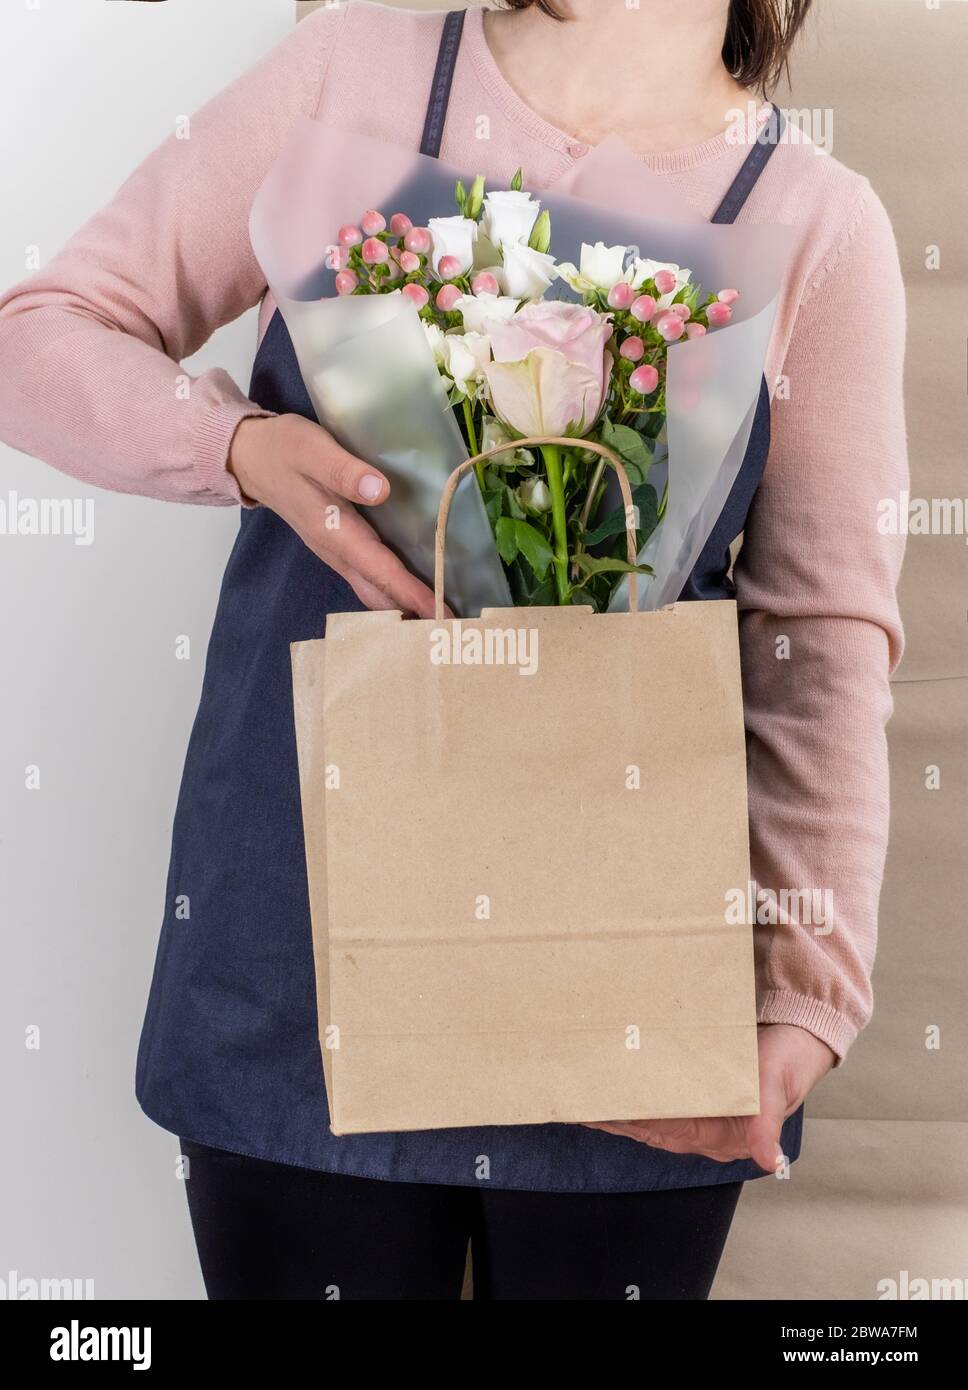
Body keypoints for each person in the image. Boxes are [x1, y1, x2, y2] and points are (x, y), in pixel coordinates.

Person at [0, 0, 906, 1300]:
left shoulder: (819, 221)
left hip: (632, 1000)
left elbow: (820, 642)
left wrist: (808, 1003)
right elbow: (38, 329)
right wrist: (238, 448)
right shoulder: (353, 69)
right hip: (293, 970)